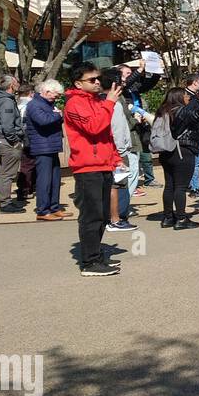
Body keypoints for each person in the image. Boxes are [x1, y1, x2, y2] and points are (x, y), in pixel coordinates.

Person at [63, 63, 124, 277]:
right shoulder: (74, 104)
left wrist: (116, 158)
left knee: (102, 215)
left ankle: (96, 256)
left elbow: (105, 133)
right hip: (87, 167)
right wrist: (109, 103)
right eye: (92, 80)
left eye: (98, 78)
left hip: (102, 164)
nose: (97, 82)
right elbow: (94, 127)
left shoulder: (95, 101)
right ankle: (89, 262)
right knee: (91, 216)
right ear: (78, 83)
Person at [152, 85, 199, 231]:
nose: (188, 97)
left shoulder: (162, 111)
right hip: (182, 151)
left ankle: (168, 217)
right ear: (179, 97)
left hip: (165, 152)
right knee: (181, 187)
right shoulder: (182, 112)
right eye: (185, 95)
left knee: (169, 185)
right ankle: (181, 218)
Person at [99, 68, 137, 233]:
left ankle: (111, 216)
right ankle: (117, 218)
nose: (123, 83)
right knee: (119, 185)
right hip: (117, 152)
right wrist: (122, 152)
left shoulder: (99, 100)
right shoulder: (113, 104)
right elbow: (118, 130)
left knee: (112, 185)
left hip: (108, 150)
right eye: (121, 80)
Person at [24, 79, 67, 220]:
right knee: (44, 180)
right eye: (55, 94)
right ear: (46, 91)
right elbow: (43, 120)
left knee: (55, 179)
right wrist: (58, 115)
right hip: (42, 146)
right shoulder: (34, 105)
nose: (57, 97)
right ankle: (42, 211)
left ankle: (54, 207)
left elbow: (52, 119)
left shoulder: (46, 104)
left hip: (51, 145)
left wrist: (56, 115)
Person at [0, 73, 26, 214]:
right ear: (11, 85)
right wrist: (16, 141)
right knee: (7, 174)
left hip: (0, 140)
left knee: (3, 173)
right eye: (16, 82)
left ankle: (5, 202)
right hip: (7, 141)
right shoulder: (7, 101)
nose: (18, 84)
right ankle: (5, 204)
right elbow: (7, 125)